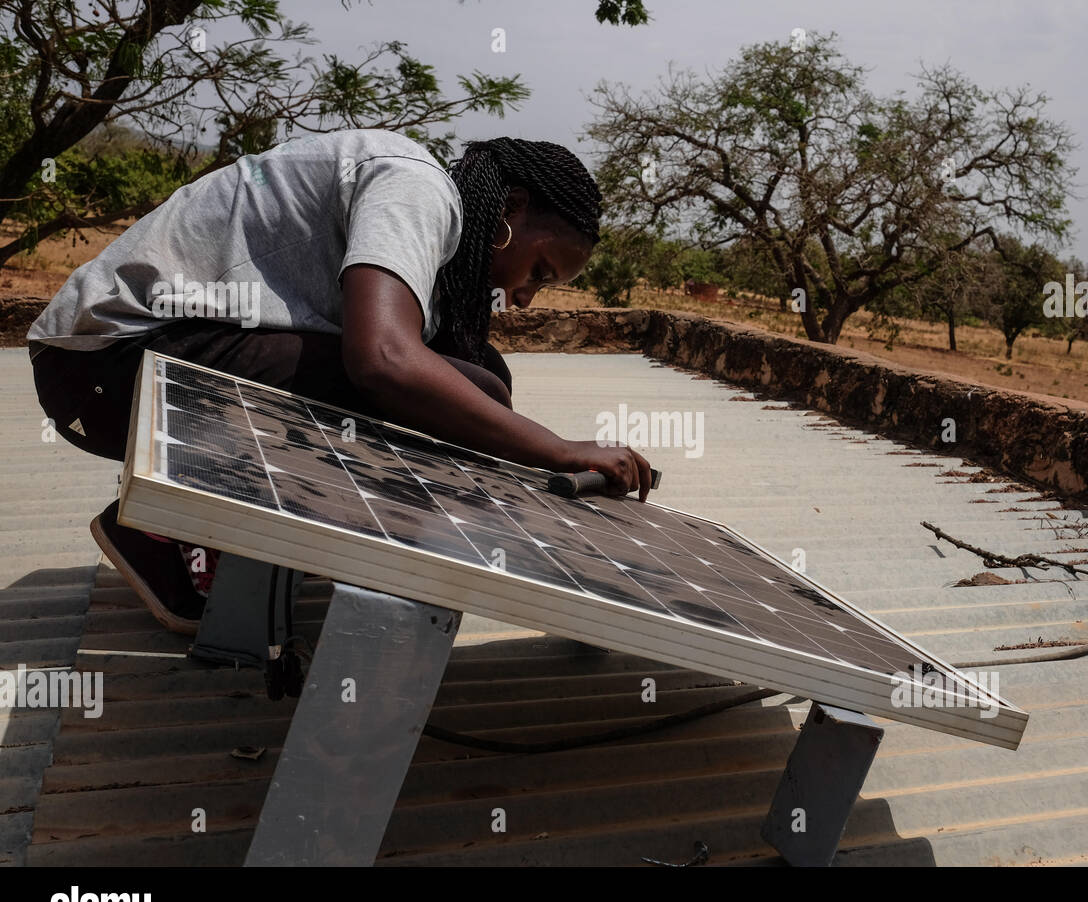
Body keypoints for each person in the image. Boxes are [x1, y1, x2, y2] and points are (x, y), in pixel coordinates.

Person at [27, 128, 652, 634]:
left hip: (145, 366)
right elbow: (382, 359)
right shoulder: (417, 186)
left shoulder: (432, 249)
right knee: (448, 387)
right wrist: (560, 449)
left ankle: (249, 520)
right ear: (511, 210)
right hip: (102, 367)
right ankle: (158, 526)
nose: (523, 297)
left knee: (481, 375)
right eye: (538, 270)